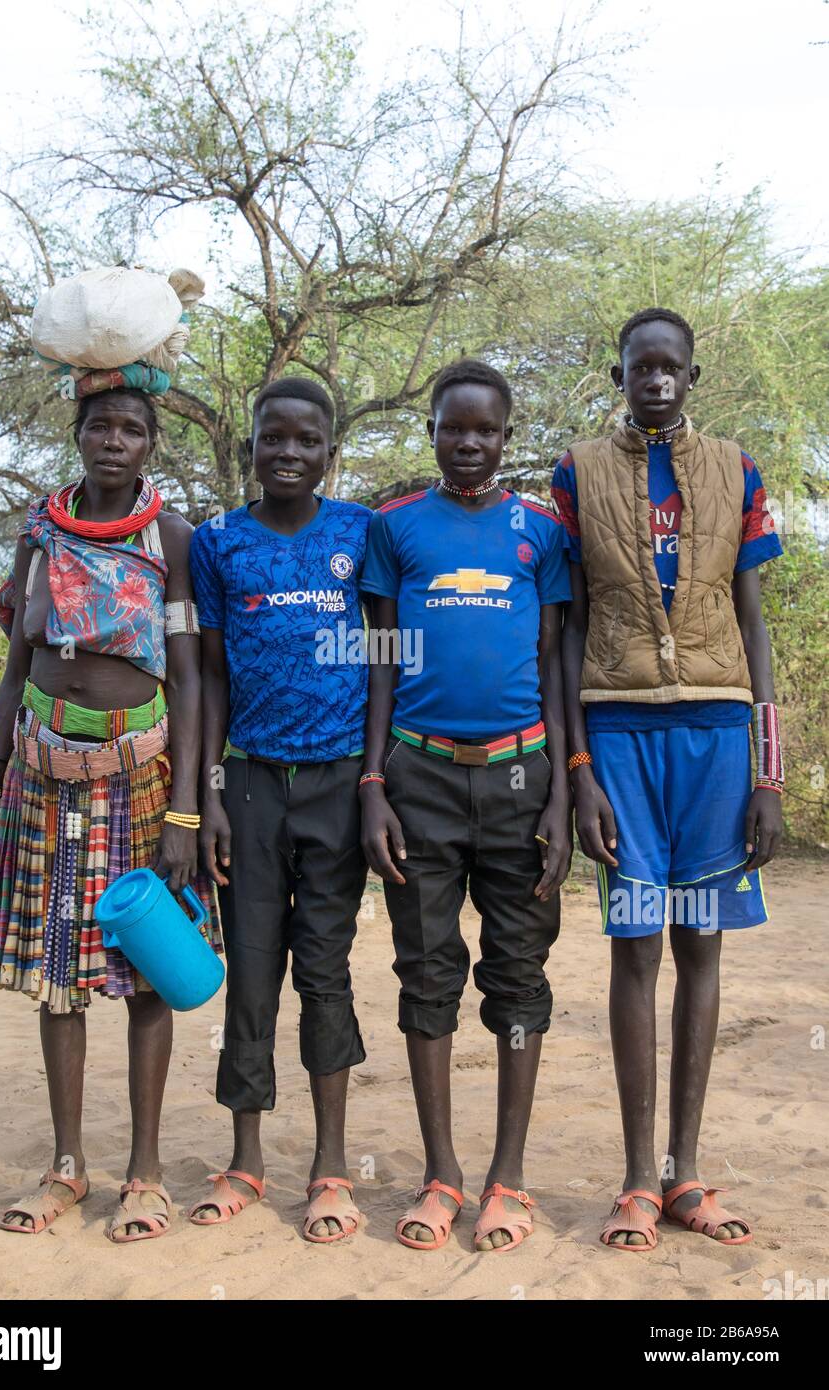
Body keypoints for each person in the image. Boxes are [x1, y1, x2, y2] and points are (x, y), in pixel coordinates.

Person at [0, 384, 218, 1243]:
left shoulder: (169, 538)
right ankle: (67, 1165)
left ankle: (144, 1173)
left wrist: (185, 812)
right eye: (101, 426)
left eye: (133, 429)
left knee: (144, 970)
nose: (115, 440)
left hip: (139, 778)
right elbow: (13, 672)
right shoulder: (39, 534)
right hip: (41, 778)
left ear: (152, 444)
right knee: (57, 973)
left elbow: (186, 679)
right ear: (77, 435)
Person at [552, 307, 784, 1251]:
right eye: (638, 368)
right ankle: (636, 1179)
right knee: (634, 948)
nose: (654, 381)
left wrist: (769, 773)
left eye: (670, 368)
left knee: (700, 944)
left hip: (720, 732)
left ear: (690, 376)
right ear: (618, 377)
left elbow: (753, 620)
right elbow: (564, 628)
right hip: (616, 730)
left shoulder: (736, 468)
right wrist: (576, 770)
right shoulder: (576, 470)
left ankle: (688, 1173)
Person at [360, 359, 571, 1252]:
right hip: (419, 779)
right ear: (433, 432)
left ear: (506, 436)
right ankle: (440, 1172)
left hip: (524, 779)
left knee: (518, 976)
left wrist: (565, 785)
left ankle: (506, 1177)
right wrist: (373, 784)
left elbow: (558, 658)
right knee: (426, 970)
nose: (469, 443)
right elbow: (379, 661)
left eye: (485, 430)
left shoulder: (542, 531)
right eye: (454, 428)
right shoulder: (395, 527)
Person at [190, 378, 372, 1243]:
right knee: (253, 975)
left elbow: (382, 665)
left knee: (325, 974)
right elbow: (212, 677)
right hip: (252, 786)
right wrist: (212, 792)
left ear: (328, 453)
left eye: (306, 441)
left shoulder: (359, 534)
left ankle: (330, 1166)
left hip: (338, 785)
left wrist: (374, 782)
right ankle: (246, 1160)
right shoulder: (219, 541)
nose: (288, 453)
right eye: (273, 439)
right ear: (251, 446)